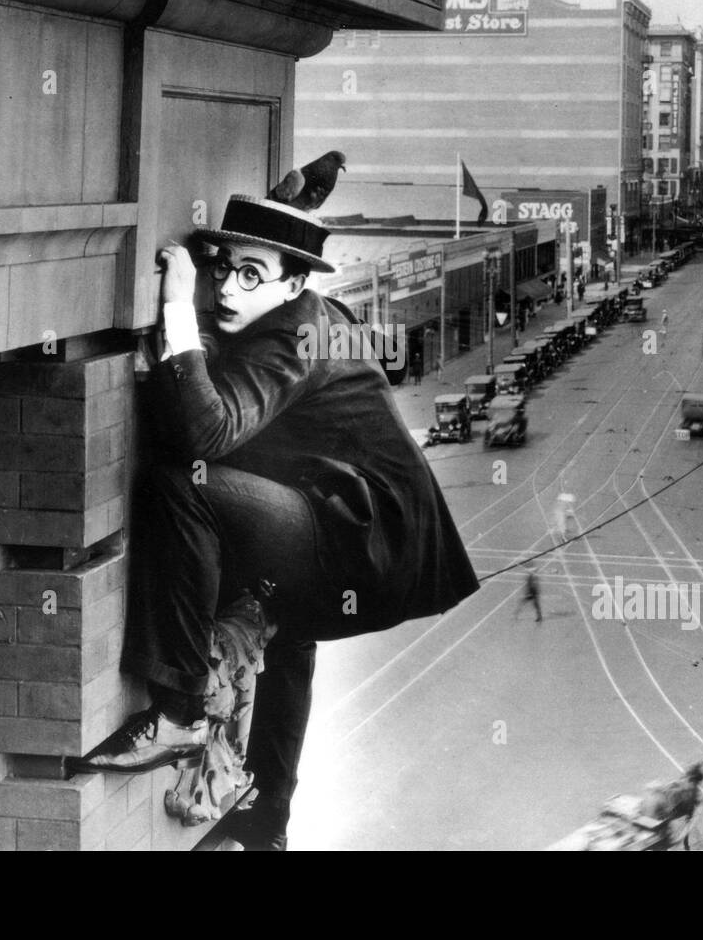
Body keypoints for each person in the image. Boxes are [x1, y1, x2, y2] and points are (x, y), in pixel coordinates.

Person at [77, 189, 479, 850]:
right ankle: (265, 829)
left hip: (356, 539)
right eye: (224, 268)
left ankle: (179, 713)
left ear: (293, 283)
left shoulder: (296, 337)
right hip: (374, 547)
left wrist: (179, 305)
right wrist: (290, 197)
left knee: (183, 484)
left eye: (252, 275)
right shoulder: (306, 312)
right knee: (288, 632)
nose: (230, 289)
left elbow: (207, 431)